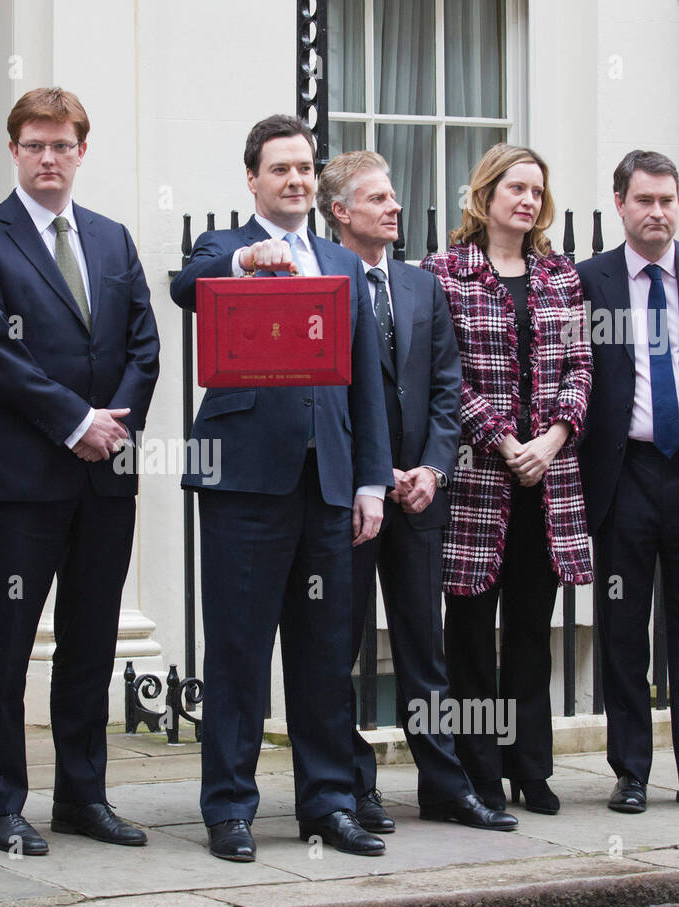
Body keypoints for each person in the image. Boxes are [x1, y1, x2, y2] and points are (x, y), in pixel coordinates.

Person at [170, 115, 391, 862]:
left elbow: (367, 388)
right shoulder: (223, 248)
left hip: (326, 483)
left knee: (326, 653)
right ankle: (229, 808)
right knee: (236, 652)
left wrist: (370, 482)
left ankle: (327, 803)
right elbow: (184, 289)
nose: (295, 179)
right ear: (253, 180)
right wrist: (242, 264)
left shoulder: (343, 260)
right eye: (280, 169)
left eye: (304, 168)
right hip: (243, 484)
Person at [0, 87, 159, 855]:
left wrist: (114, 424)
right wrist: (76, 422)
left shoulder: (111, 239)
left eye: (62, 145)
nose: (48, 157)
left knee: (91, 640)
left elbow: (144, 344)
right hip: (21, 478)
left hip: (107, 476)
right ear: (14, 150)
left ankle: (82, 796)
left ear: (81, 150)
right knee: (5, 642)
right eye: (34, 144)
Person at [318, 151, 516, 832]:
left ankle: (444, 784)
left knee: (422, 651)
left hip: (421, 499)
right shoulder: (324, 281)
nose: (394, 207)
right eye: (376, 198)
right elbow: (326, 395)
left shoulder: (421, 285)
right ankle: (354, 785)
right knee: (340, 649)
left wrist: (432, 468)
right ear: (341, 212)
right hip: (350, 501)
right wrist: (367, 476)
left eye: (394, 196)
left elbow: (443, 386)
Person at [421, 143, 592, 817]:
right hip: (476, 485)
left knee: (530, 631)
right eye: (514, 188)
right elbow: (444, 376)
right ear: (486, 194)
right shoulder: (446, 273)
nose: (526, 200)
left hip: (547, 486)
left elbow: (581, 368)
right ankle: (477, 771)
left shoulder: (560, 276)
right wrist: (502, 438)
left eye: (535, 191)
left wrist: (550, 441)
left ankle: (531, 768)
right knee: (467, 635)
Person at [577, 150, 679, 817]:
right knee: (623, 630)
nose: (658, 212)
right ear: (619, 203)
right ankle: (631, 772)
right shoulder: (591, 279)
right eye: (644, 200)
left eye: (668, 200)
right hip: (627, 473)